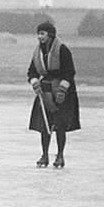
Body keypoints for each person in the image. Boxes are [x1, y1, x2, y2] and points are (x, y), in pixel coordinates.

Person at [27, 19, 80, 168]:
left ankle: (60, 155)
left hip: (62, 92)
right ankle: (44, 155)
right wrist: (34, 82)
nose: (39, 37)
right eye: (38, 34)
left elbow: (70, 72)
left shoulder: (62, 49)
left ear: (50, 35)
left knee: (60, 125)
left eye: (42, 34)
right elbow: (31, 71)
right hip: (44, 91)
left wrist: (63, 90)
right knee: (44, 125)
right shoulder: (38, 52)